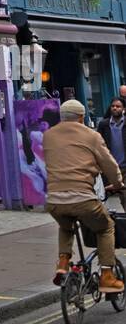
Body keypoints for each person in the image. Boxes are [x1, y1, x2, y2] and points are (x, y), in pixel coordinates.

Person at [44, 97, 124, 291]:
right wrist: (118, 183)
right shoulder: (92, 135)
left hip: (54, 200)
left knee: (66, 225)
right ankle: (106, 275)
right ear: (81, 118)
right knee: (106, 227)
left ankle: (63, 263)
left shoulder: (48, 135)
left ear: (62, 117)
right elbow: (109, 164)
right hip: (82, 198)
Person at [98, 98, 126, 213]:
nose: (115, 108)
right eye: (113, 106)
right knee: (103, 197)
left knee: (124, 196)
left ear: (124, 109)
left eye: (118, 106)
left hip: (125, 167)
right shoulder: (104, 124)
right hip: (110, 168)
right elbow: (98, 144)